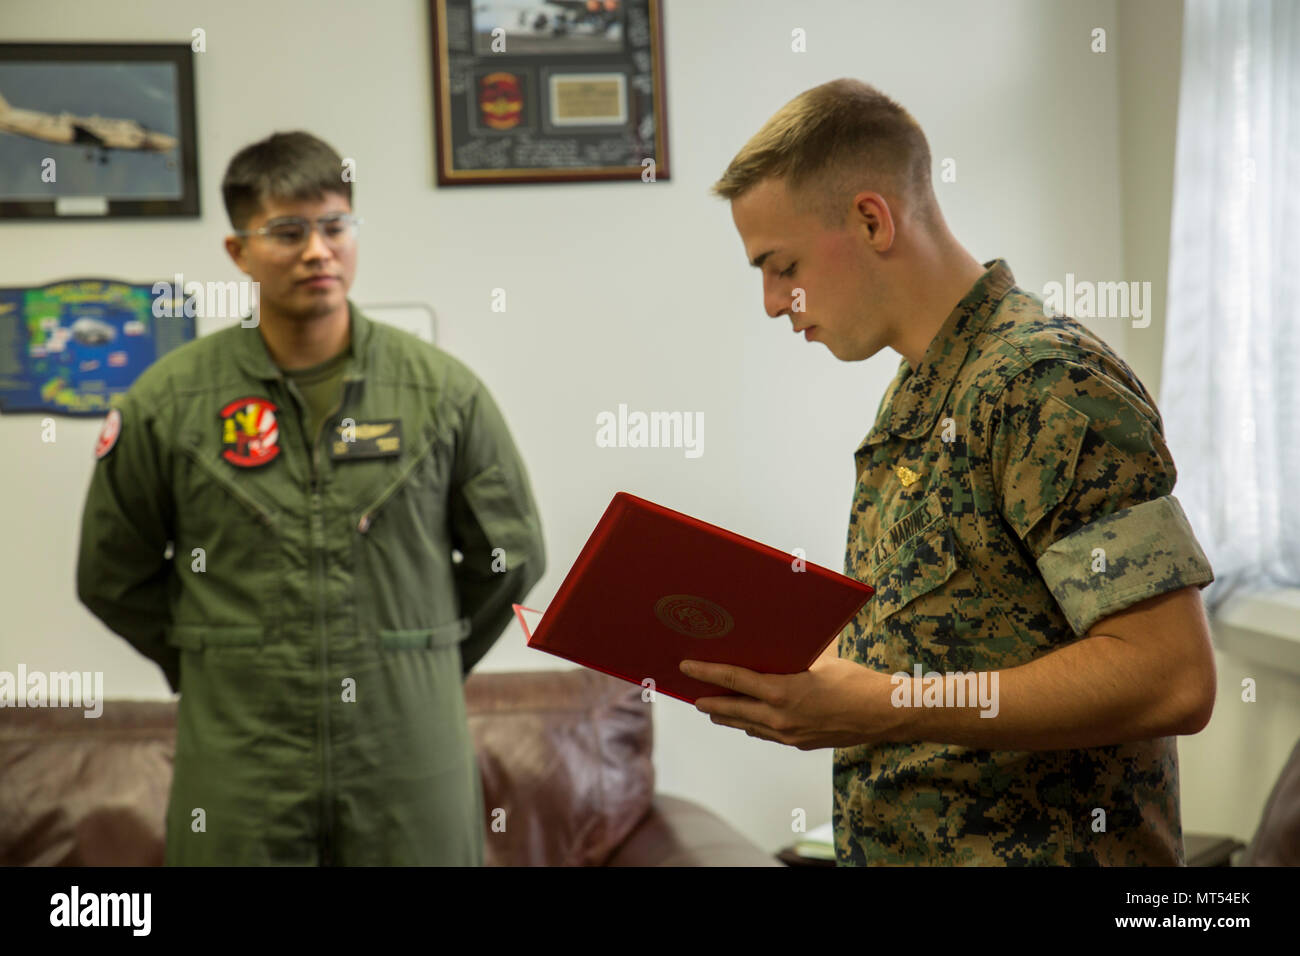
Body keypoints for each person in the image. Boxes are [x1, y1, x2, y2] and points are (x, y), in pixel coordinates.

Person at [679, 79, 1216, 865]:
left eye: (781, 265)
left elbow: (1171, 677)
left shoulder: (1045, 382)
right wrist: (833, 678)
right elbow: (968, 630)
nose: (772, 302)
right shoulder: (921, 390)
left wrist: (888, 705)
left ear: (871, 219)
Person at [76, 130, 546, 865]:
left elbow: (509, 557)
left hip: (407, 756)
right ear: (238, 252)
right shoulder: (168, 402)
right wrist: (211, 657)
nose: (317, 251)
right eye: (287, 232)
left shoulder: (443, 394)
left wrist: (422, 653)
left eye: (335, 227)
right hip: (241, 761)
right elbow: (112, 572)